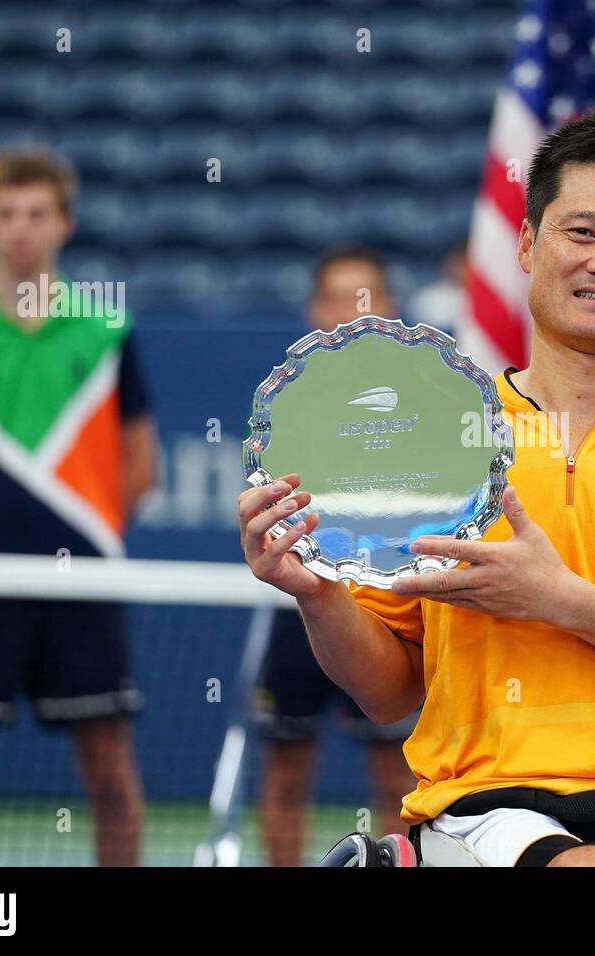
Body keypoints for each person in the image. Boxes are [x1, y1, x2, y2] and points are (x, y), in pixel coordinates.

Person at [239, 107, 595, 867]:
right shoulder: (434, 433)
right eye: (580, 232)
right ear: (526, 243)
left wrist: (562, 601)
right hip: (488, 805)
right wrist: (317, 594)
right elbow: (389, 692)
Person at [0, 146, 159, 866]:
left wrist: (83, 532)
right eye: (4, 214)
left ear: (65, 222)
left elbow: (141, 464)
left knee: (108, 764)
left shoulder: (105, 327)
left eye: (36, 213)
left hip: (81, 581)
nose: (20, 229)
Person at [253, 245, 419, 867]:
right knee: (287, 768)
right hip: (305, 601)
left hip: (389, 607)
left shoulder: (425, 404)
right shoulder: (284, 406)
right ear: (313, 311)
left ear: (392, 309)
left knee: (395, 774)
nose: (352, 312)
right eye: (338, 297)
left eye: (367, 295)